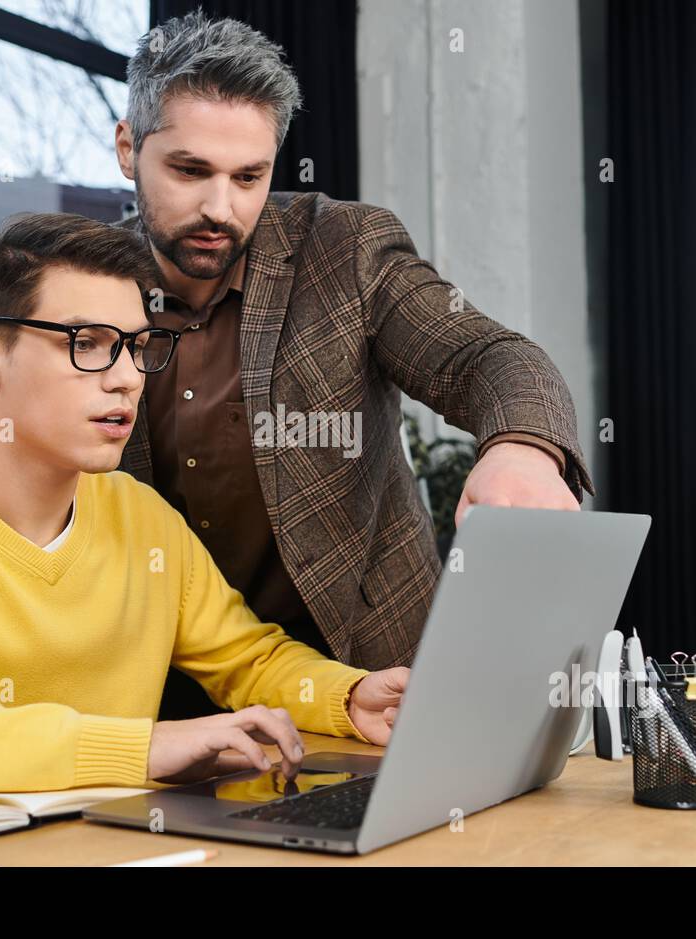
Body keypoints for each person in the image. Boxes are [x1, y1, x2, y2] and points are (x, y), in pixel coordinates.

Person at [0, 212, 409, 796]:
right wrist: (136, 749)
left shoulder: (140, 516)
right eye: (86, 343)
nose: (126, 377)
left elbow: (249, 660)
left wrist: (347, 698)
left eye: (136, 346)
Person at [109, 11, 594, 718]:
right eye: (189, 170)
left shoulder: (345, 249)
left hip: (373, 679)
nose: (221, 207)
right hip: (162, 696)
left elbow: (487, 354)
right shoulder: (80, 281)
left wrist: (522, 449)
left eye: (250, 176)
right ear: (128, 149)